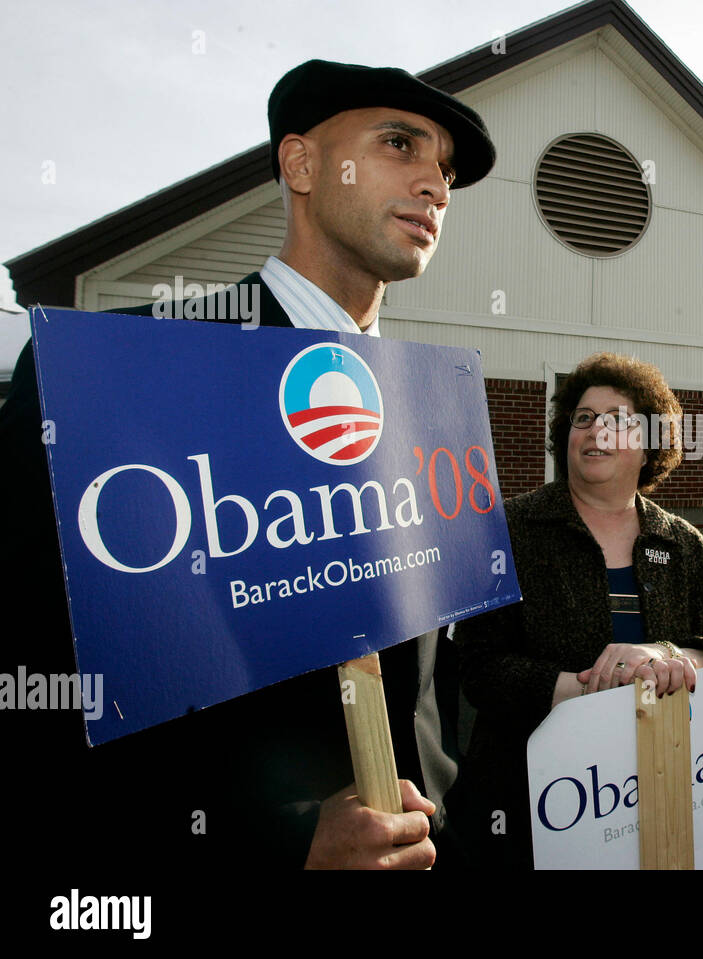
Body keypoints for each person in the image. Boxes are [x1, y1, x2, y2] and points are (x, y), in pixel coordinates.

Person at [0, 59, 495, 869]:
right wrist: (283, 837)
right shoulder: (113, 376)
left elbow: (441, 689)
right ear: (300, 164)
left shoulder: (434, 407)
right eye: (399, 144)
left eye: (443, 169)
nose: (435, 185)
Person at [451, 352, 703, 868]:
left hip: (659, 795)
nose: (596, 431)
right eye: (584, 418)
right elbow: (477, 666)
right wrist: (581, 689)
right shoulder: (511, 530)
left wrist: (672, 658)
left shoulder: (681, 544)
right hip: (534, 809)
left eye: (617, 420)